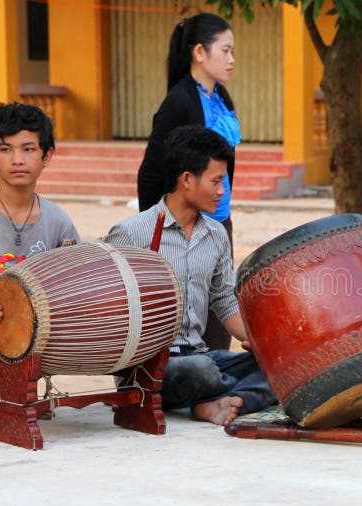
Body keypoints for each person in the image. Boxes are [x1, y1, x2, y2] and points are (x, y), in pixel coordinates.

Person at [105, 125, 274, 426]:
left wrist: (264, 344)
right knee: (201, 371)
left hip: (200, 354)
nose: (223, 191)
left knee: (279, 365)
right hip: (148, 365)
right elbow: (109, 306)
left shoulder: (217, 235)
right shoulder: (132, 233)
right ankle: (215, 397)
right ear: (186, 179)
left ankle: (217, 403)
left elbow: (225, 301)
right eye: (217, 181)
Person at [0, 102, 80, 428]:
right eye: (6, 149)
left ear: (47, 156)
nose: (18, 159)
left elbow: (75, 285)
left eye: (28, 149)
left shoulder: (58, 220)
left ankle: (25, 390)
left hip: (36, 323)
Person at [138, 12, 240, 350]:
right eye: (225, 50)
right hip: (184, 226)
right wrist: (158, 229)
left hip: (218, 220)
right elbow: (151, 172)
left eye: (232, 51)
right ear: (199, 52)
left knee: (220, 308)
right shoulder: (178, 103)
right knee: (183, 310)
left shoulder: (222, 98)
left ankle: (216, 380)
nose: (231, 59)